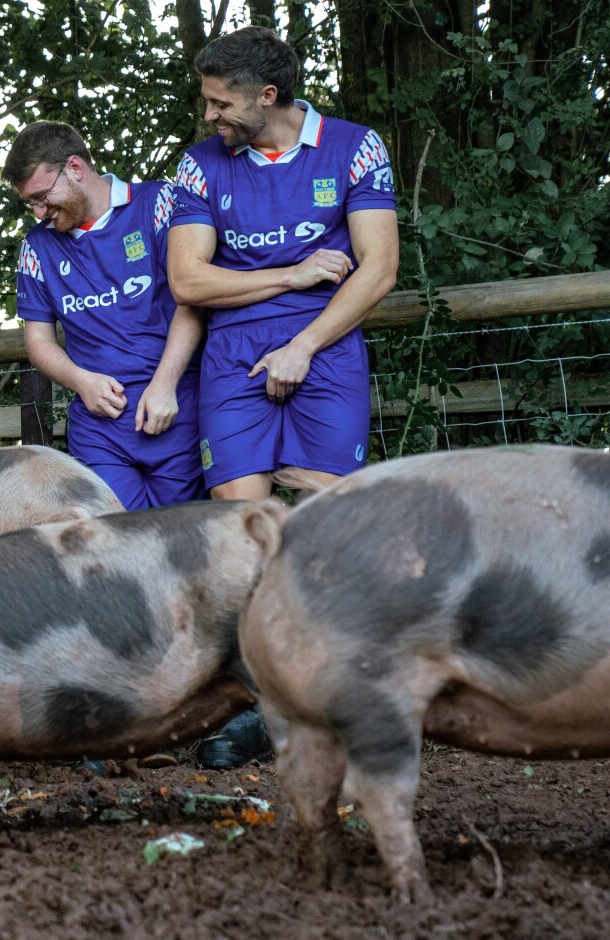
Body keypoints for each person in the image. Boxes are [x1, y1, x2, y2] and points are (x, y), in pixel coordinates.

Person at [167, 27, 400, 766]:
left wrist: (304, 343)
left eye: (219, 101)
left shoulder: (354, 147)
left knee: (329, 526)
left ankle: (334, 695)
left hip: (326, 349)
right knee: (245, 529)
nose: (209, 116)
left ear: (267, 97)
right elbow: (189, 281)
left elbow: (379, 268)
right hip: (232, 353)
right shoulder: (201, 165)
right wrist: (293, 274)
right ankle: (257, 706)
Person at [3, 122, 205, 511]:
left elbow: (192, 298)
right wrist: (81, 381)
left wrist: (165, 383)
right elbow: (39, 342)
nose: (39, 212)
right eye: (30, 202)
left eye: (43, 196)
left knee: (185, 544)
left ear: (75, 168)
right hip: (99, 426)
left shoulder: (159, 201)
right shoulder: (37, 246)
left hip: (176, 406)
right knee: (115, 545)